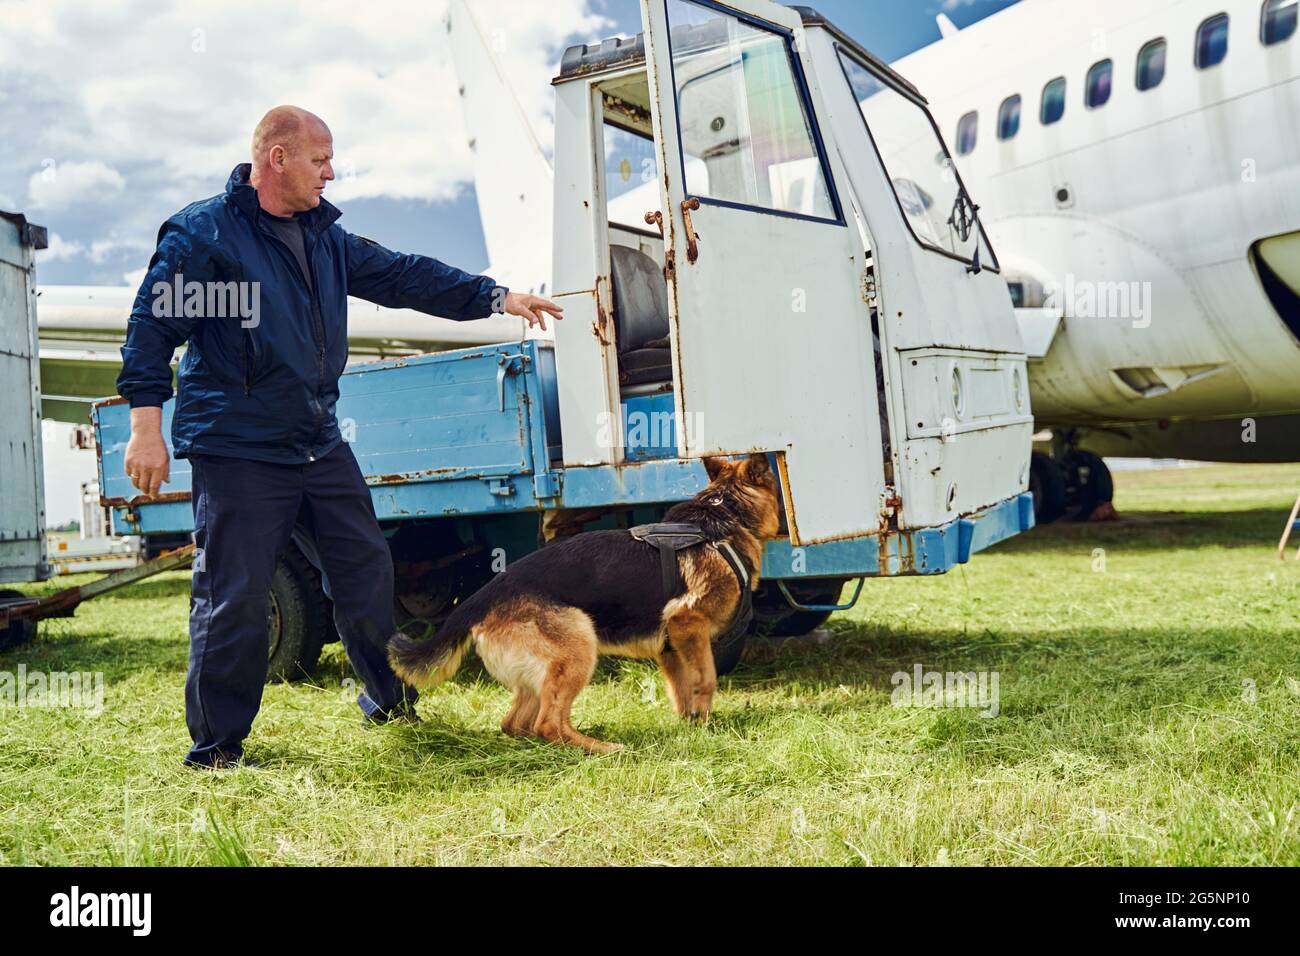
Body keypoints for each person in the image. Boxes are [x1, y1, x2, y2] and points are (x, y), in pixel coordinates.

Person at [116, 106, 563, 768]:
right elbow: (153, 328)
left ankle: (388, 700)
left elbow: (407, 275)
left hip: (316, 439)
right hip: (238, 445)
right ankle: (216, 749)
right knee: (234, 597)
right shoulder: (207, 235)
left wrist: (496, 297)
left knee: (364, 573)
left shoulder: (324, 236)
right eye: (320, 158)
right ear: (278, 160)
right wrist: (144, 427)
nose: (331, 170)